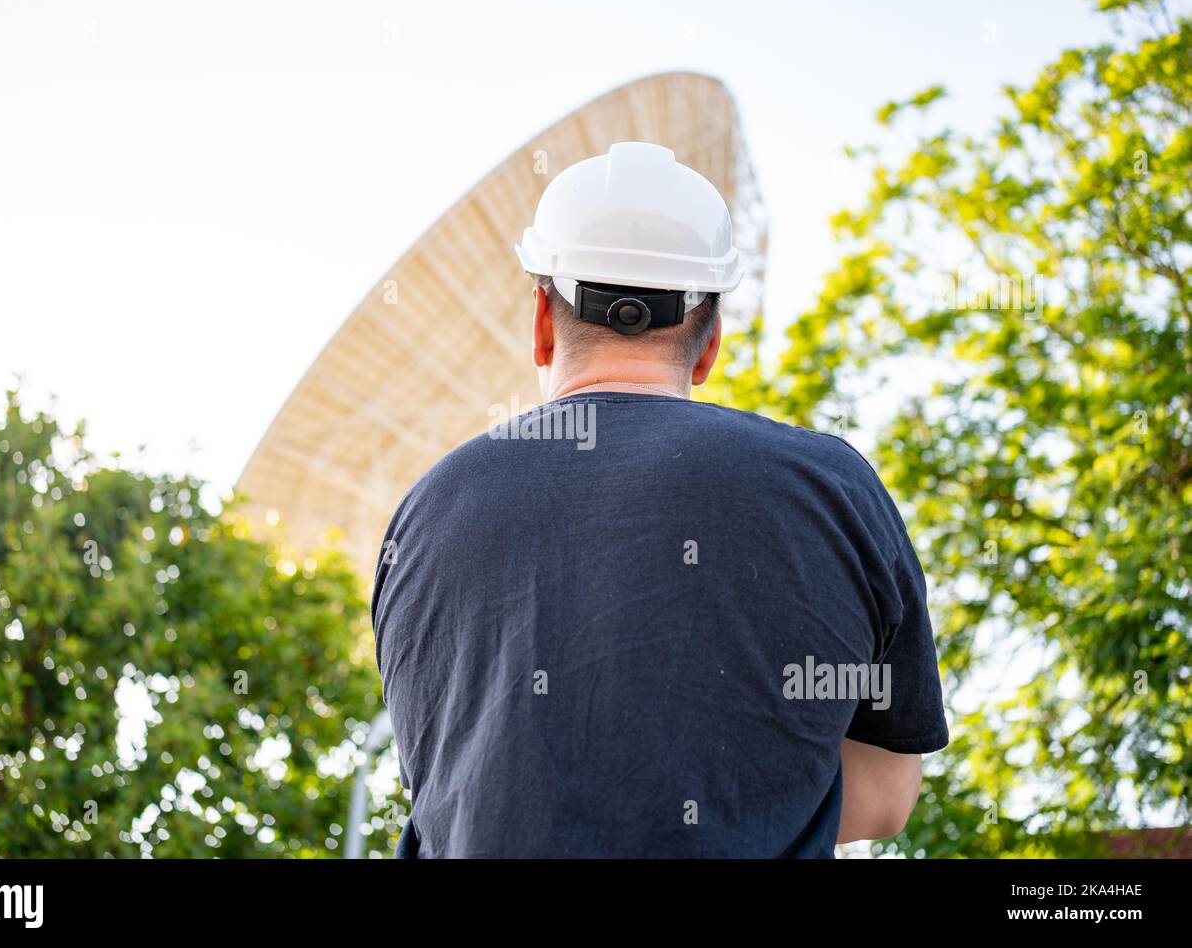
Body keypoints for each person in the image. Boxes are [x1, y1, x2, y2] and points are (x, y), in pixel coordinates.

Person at [371, 142, 947, 857]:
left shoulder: (423, 517)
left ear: (542, 325)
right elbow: (887, 798)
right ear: (708, 345)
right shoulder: (831, 488)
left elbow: (454, 791)